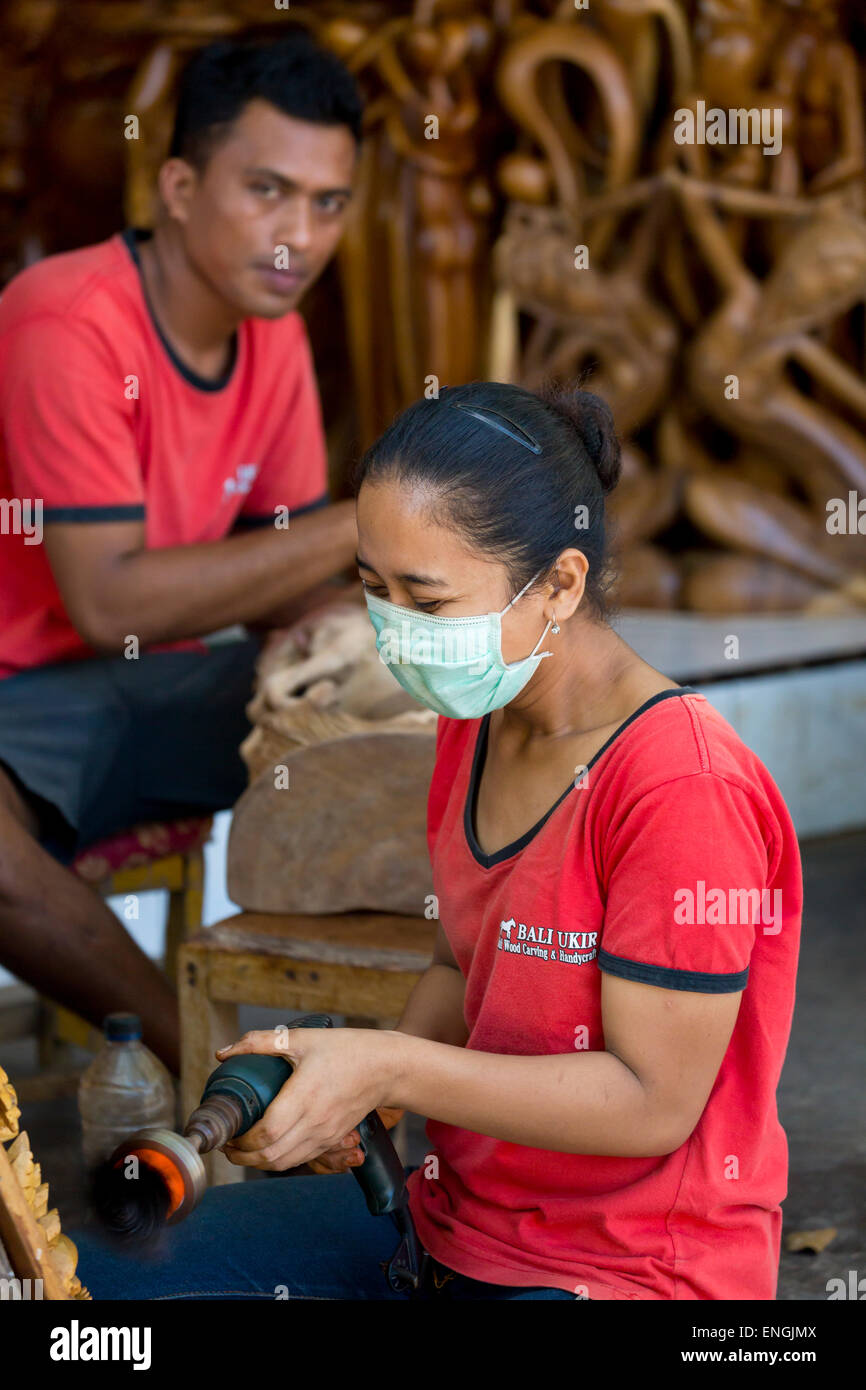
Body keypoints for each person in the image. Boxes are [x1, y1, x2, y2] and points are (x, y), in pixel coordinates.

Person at [70, 380, 802, 1300]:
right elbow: (464, 967)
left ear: (562, 584)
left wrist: (392, 1065)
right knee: (87, 1294)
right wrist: (362, 1100)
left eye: (426, 597)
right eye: (375, 589)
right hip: (453, 1222)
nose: (396, 631)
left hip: (630, 1270)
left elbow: (654, 1102)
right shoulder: (478, 717)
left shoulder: (681, 786)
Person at [0, 35, 365, 1074]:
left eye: (328, 203)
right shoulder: (64, 319)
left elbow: (278, 589)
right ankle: (221, 1070)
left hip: (158, 690)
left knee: (419, 723)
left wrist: (396, 630)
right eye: (267, 190)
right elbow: (105, 601)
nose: (300, 235)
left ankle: (413, 1078)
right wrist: (363, 519)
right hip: (22, 695)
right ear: (178, 184)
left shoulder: (273, 335)